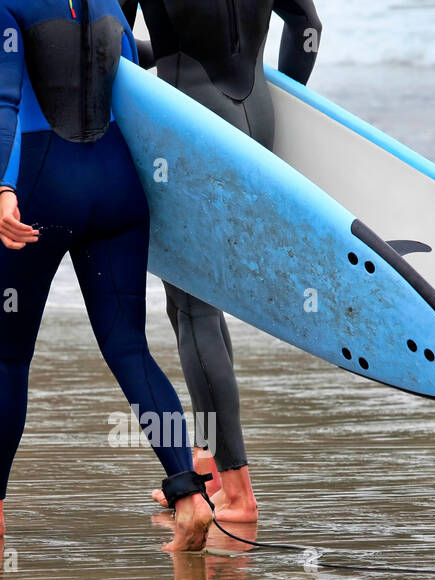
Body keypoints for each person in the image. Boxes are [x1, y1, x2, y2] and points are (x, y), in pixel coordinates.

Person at [0, 0, 213, 551]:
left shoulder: (8, 3)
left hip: (44, 189)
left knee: (9, 357)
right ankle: (187, 496)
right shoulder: (110, 0)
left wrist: (6, 190)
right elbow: (128, 74)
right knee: (130, 348)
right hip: (118, 189)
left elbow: (2, 100)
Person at [121, 0, 323, 523]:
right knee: (203, 305)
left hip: (193, 120)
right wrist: (292, 98)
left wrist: (159, 55)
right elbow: (306, 26)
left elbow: (108, 39)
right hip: (258, 117)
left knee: (193, 310)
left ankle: (239, 494)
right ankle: (209, 462)